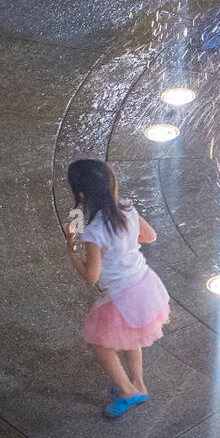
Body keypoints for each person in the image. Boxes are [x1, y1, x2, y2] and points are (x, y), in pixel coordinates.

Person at [64, 159, 170, 418]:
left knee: (100, 344)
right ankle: (139, 385)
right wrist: (124, 243)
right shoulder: (128, 209)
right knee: (132, 338)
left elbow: (92, 276)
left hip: (122, 296)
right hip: (146, 285)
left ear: (81, 194)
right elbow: (149, 236)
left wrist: (71, 251)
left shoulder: (94, 231)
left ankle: (127, 391)